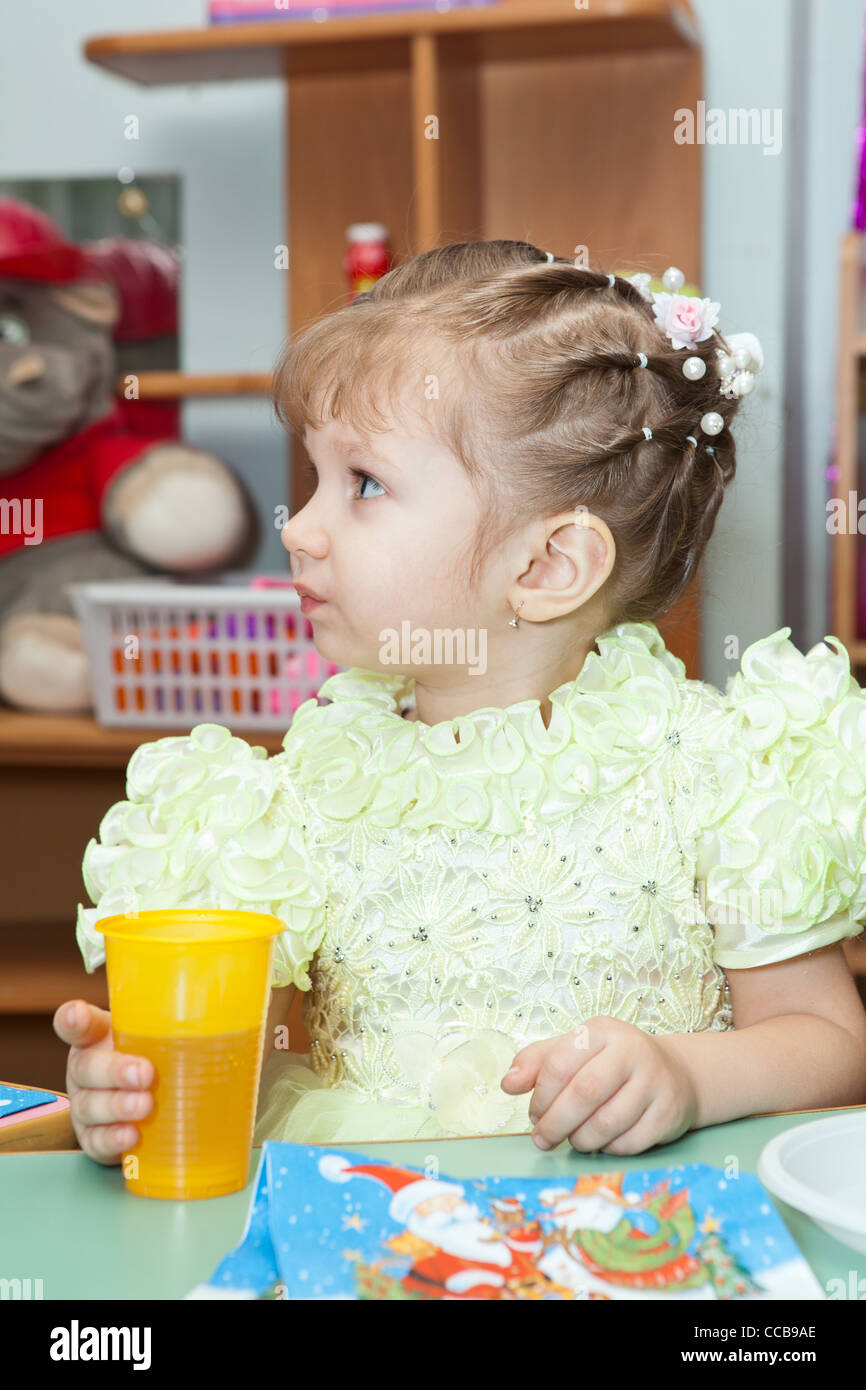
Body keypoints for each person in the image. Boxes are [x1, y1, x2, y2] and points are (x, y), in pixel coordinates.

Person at [54, 240, 866, 1167]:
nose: (302, 529)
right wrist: (129, 1094)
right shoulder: (293, 799)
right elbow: (223, 1082)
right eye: (313, 478)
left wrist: (689, 1077)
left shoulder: (723, 773)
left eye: (363, 484)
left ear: (548, 566)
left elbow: (832, 1046)